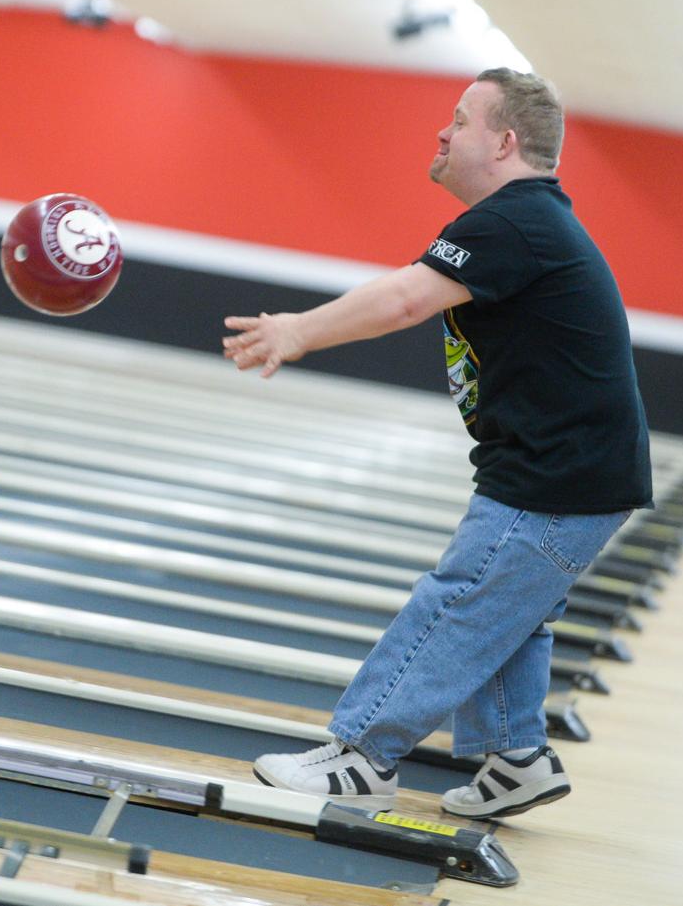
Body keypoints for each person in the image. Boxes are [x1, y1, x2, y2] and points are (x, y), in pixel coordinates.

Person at [222, 67, 653, 819]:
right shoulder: (529, 220)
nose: (442, 132)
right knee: (505, 607)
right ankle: (515, 758)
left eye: (459, 119)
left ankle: (362, 757)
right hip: (570, 471)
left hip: (558, 476)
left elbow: (403, 299)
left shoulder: (515, 218)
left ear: (505, 141)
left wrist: (294, 330)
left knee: (462, 598)